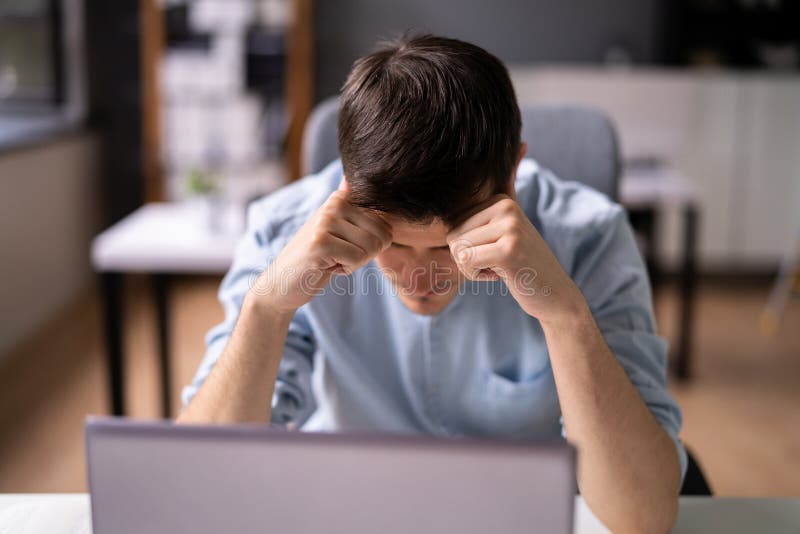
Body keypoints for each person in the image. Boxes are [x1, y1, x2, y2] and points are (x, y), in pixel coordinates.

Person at [178, 34, 686, 532]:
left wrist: (567, 317)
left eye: (447, 247)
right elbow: (200, 490)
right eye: (393, 244)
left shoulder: (589, 236)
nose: (420, 278)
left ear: (513, 173)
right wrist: (266, 308)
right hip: (345, 509)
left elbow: (642, 517)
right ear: (349, 185)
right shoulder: (281, 231)